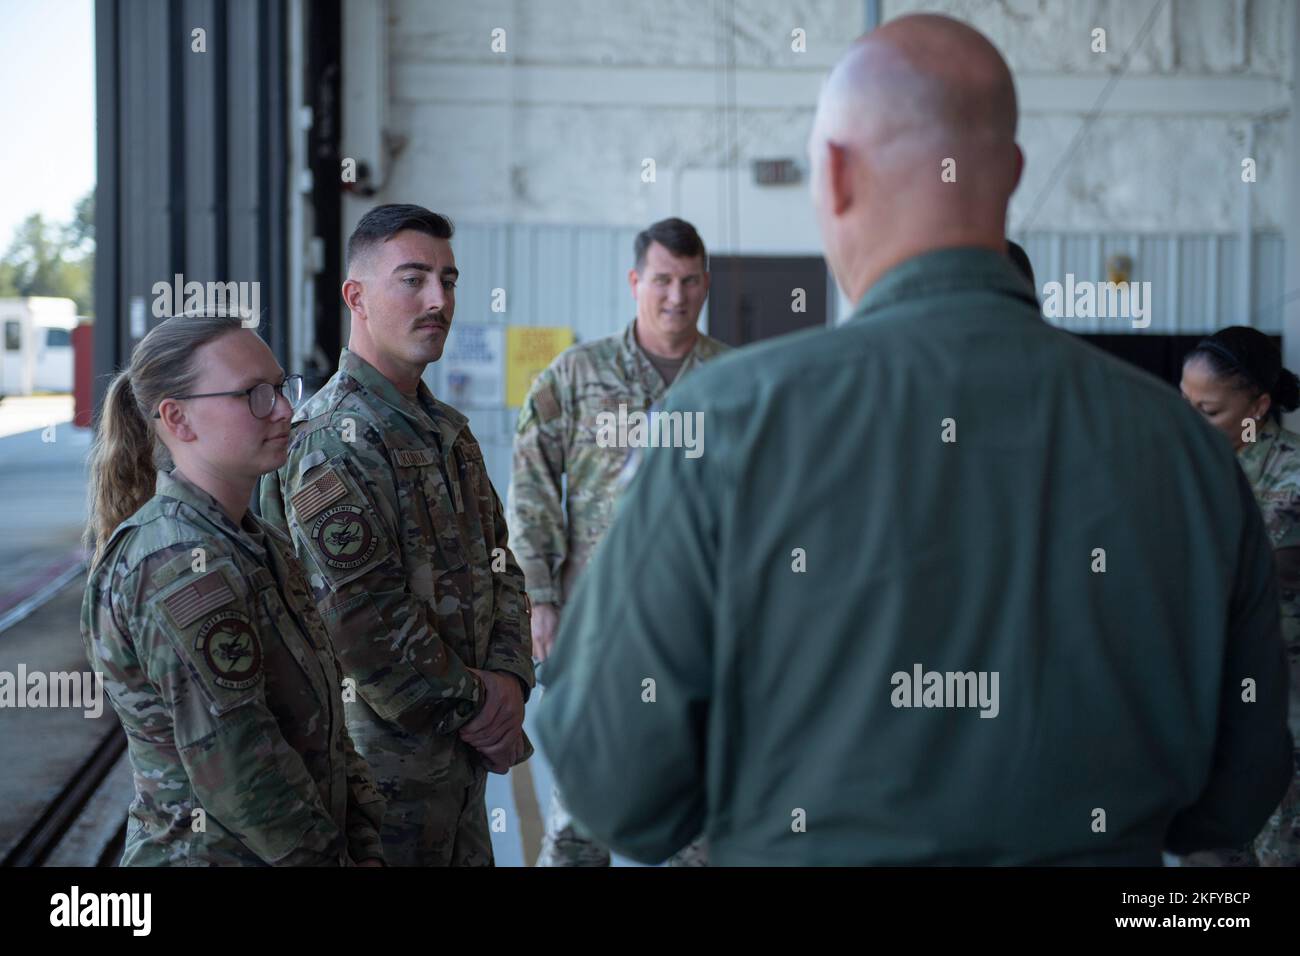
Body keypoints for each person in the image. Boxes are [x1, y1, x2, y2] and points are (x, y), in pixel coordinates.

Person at [533, 14, 1293, 865]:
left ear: (833, 174)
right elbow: (1240, 788)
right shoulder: (1188, 454)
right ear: (1010, 172)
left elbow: (614, 784)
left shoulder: (725, 423)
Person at [259, 204, 534, 866]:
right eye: (413, 279)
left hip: (459, 784)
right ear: (356, 295)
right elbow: (359, 618)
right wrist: (483, 710)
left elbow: (504, 569)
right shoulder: (332, 439)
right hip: (381, 790)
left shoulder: (448, 432)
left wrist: (512, 681)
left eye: (448, 279)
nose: (439, 300)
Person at [81, 312, 386, 866]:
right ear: (178, 419)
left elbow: (328, 733)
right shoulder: (176, 561)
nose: (287, 410)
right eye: (254, 395)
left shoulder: (256, 540)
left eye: (280, 388)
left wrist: (364, 846)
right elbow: (245, 773)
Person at [510, 216, 727, 866]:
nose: (676, 296)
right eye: (662, 279)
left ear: (706, 284)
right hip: (598, 630)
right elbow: (532, 485)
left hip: (700, 635)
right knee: (581, 818)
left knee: (701, 822)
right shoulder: (577, 375)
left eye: (690, 281)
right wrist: (540, 596)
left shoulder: (735, 381)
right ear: (636, 281)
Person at [1179, 326, 1300, 866]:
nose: (1189, 422)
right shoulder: (1179, 474)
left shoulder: (1295, 478)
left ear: (1260, 405)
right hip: (1204, 720)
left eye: (1208, 411)